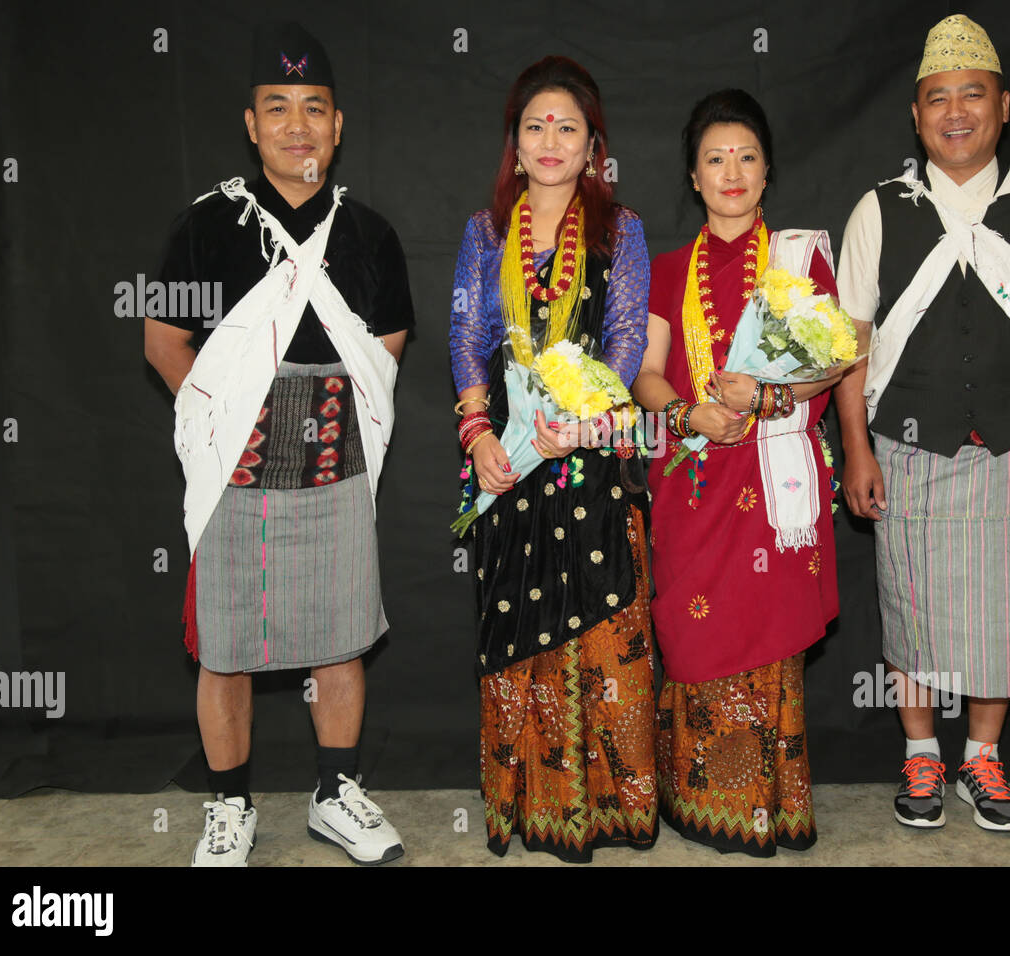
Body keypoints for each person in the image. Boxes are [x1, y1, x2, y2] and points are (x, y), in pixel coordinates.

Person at [144, 21, 413, 865]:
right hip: (235, 467)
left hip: (335, 459)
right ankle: (230, 806)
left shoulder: (369, 235)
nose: (298, 125)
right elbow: (163, 340)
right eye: (278, 107)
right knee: (225, 644)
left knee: (340, 635)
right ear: (252, 124)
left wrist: (329, 408)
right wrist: (227, 419)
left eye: (314, 109)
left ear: (337, 127)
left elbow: (387, 345)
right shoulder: (204, 228)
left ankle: (336, 793)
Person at [834, 14, 1010, 831]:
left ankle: (983, 758)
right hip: (905, 447)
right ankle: (922, 756)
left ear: (1003, 105)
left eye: (973, 95)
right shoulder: (879, 210)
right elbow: (850, 342)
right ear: (916, 117)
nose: (956, 112)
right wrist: (853, 449)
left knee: (1008, 609)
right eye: (937, 99)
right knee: (909, 604)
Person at [449, 55, 657, 863]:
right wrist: (480, 434)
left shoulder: (619, 230)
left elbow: (628, 338)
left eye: (567, 127)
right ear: (515, 141)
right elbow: (467, 339)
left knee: (607, 637)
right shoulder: (485, 232)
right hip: (508, 461)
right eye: (535, 125)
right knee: (518, 639)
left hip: (592, 457)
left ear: (592, 145)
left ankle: (610, 812)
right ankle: (528, 808)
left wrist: (585, 415)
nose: (550, 140)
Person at [632, 90, 844, 856]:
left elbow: (831, 365)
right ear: (693, 175)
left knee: (768, 633)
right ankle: (704, 802)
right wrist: (691, 416)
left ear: (767, 171)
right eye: (715, 158)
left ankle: (771, 805)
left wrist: (767, 396)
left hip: (775, 476)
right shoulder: (665, 268)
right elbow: (647, 375)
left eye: (747, 157)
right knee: (694, 636)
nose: (732, 171)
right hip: (693, 479)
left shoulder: (800, 259)